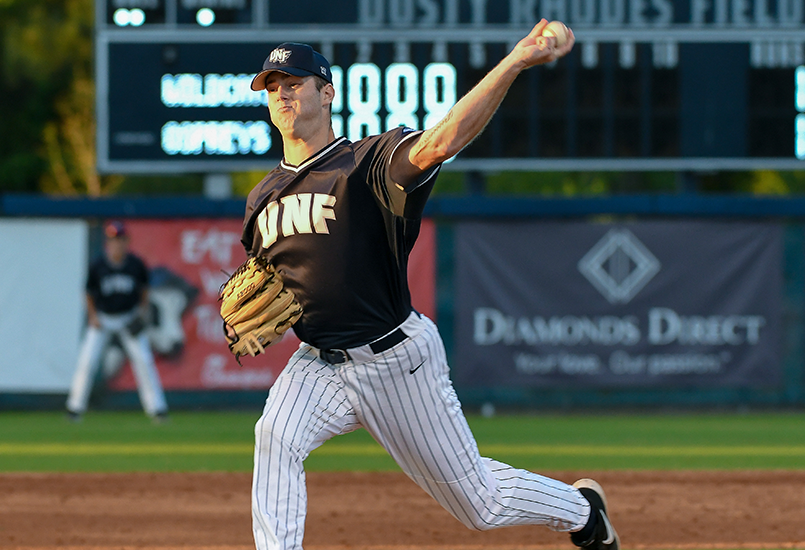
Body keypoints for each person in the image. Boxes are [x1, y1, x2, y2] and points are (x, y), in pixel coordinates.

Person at [239, 22, 619, 550]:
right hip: (317, 363)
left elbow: (444, 139)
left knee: (479, 503)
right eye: (272, 85)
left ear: (327, 92)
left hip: (395, 362)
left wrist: (513, 61)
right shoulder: (262, 198)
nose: (281, 91)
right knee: (275, 436)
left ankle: (582, 512)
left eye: (294, 81)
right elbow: (272, 286)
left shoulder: (367, 163)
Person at [66, 220, 168, 423]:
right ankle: (75, 408)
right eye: (113, 240)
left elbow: (144, 291)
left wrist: (141, 314)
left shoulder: (135, 264)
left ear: (127, 241)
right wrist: (93, 316)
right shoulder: (98, 265)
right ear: (107, 242)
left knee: (144, 361)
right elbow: (88, 293)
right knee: (87, 361)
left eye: (120, 240)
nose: (117, 244)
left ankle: (157, 409)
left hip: (128, 317)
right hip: (103, 318)